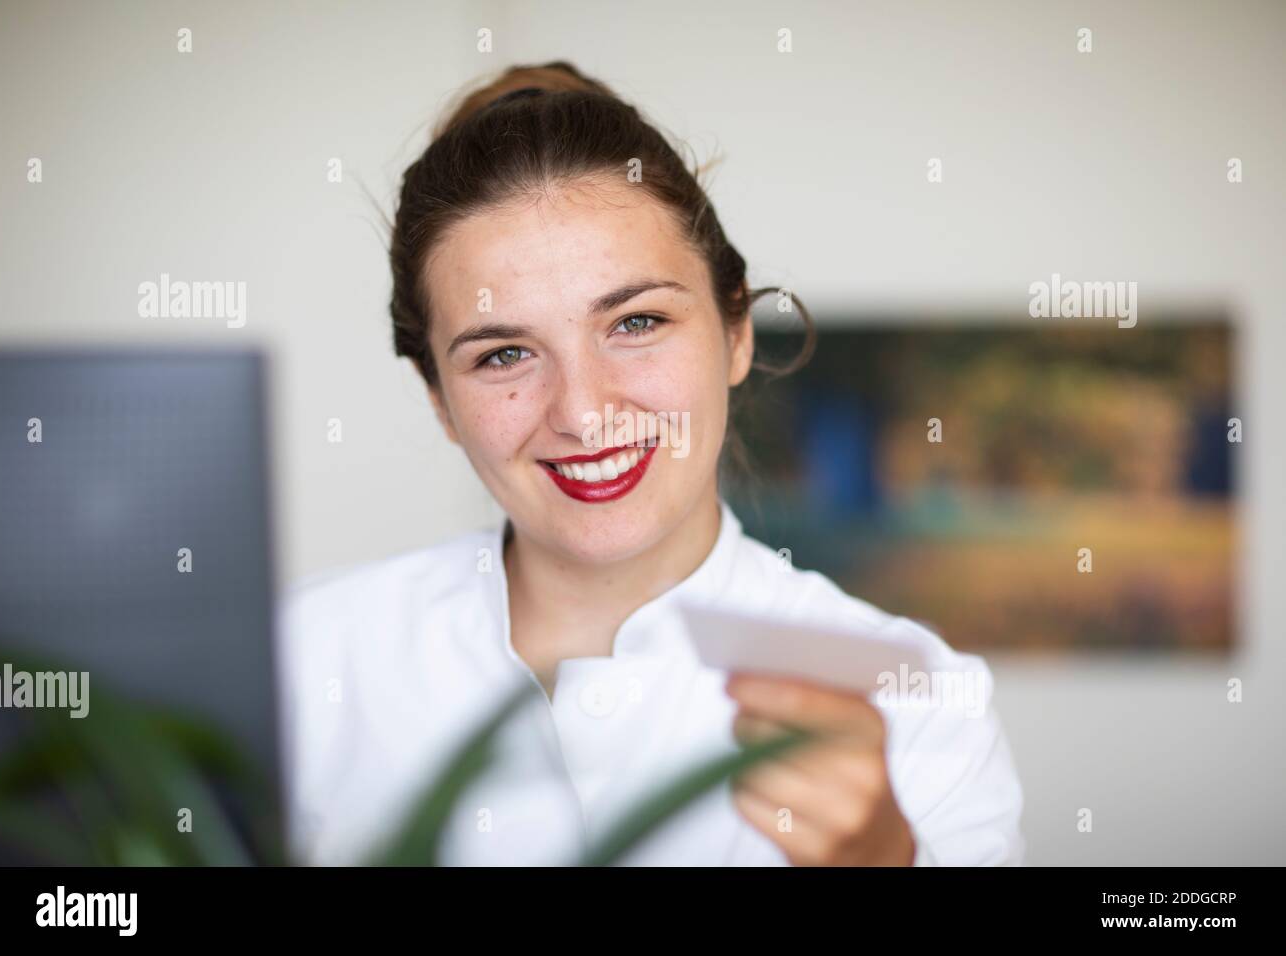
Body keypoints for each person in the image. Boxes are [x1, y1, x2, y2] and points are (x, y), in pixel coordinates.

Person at [277, 61, 1025, 866]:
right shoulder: (302, 662)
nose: (583, 412)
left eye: (635, 323)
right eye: (502, 355)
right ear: (437, 399)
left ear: (736, 331)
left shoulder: (923, 707)